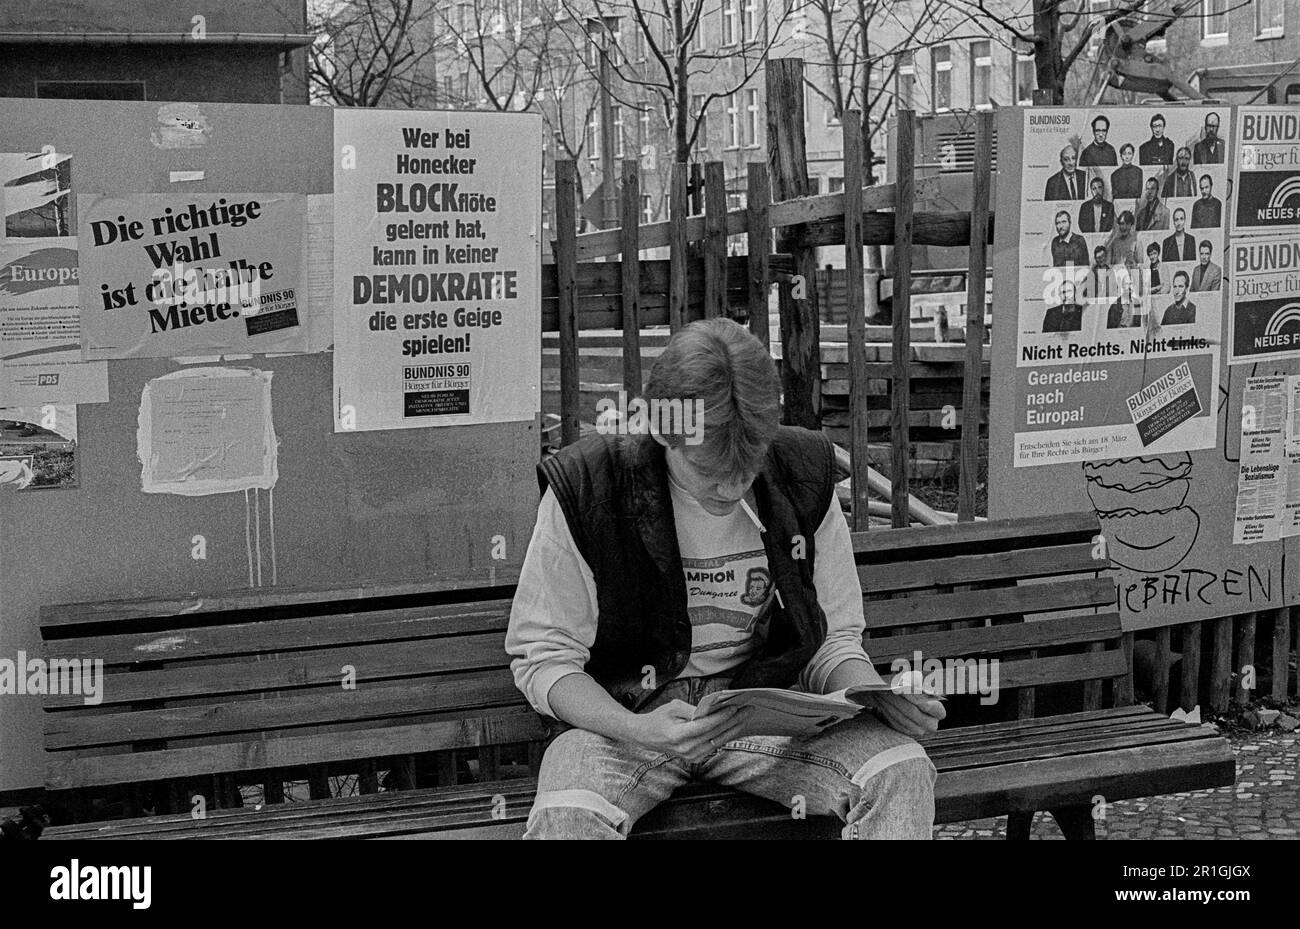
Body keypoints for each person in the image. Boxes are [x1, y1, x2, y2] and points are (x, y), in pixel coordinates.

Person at [506, 318, 944, 840]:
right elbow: (546, 657)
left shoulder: (800, 472)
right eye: (710, 472)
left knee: (899, 768)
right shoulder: (588, 485)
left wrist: (873, 694)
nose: (733, 487)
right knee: (570, 813)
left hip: (761, 719)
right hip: (624, 724)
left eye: (748, 467)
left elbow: (831, 640)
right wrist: (637, 727)